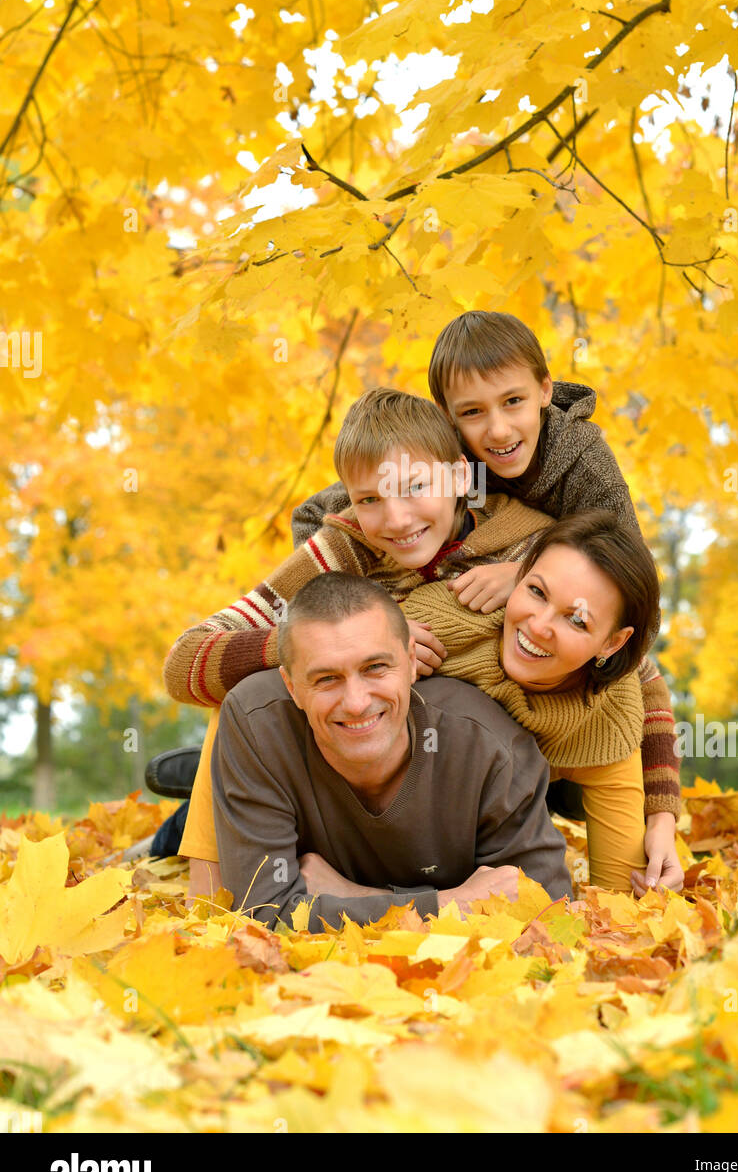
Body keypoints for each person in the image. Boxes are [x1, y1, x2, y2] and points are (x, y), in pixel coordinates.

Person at [159, 388, 679, 896]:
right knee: (247, 698)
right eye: (370, 499)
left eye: (414, 489)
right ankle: (207, 881)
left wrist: (662, 812)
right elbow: (185, 663)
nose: (398, 519)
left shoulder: (528, 553)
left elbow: (638, 675)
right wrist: (308, 645)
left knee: (623, 894)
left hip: (540, 749)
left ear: (459, 475)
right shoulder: (345, 549)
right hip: (385, 748)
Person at [210, 573, 573, 931]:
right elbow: (262, 915)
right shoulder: (256, 721)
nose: (356, 703)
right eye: (326, 679)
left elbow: (549, 915)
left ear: (412, 661)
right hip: (268, 798)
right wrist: (451, 903)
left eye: (375, 668)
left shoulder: (491, 748)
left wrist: (351, 895)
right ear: (291, 686)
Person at [400, 510, 677, 893]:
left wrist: (661, 823)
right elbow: (306, 656)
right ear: (519, 574)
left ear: (613, 643)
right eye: (536, 592)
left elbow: (617, 899)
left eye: (576, 620)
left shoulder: (610, 719)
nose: (539, 626)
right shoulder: (442, 620)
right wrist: (376, 645)